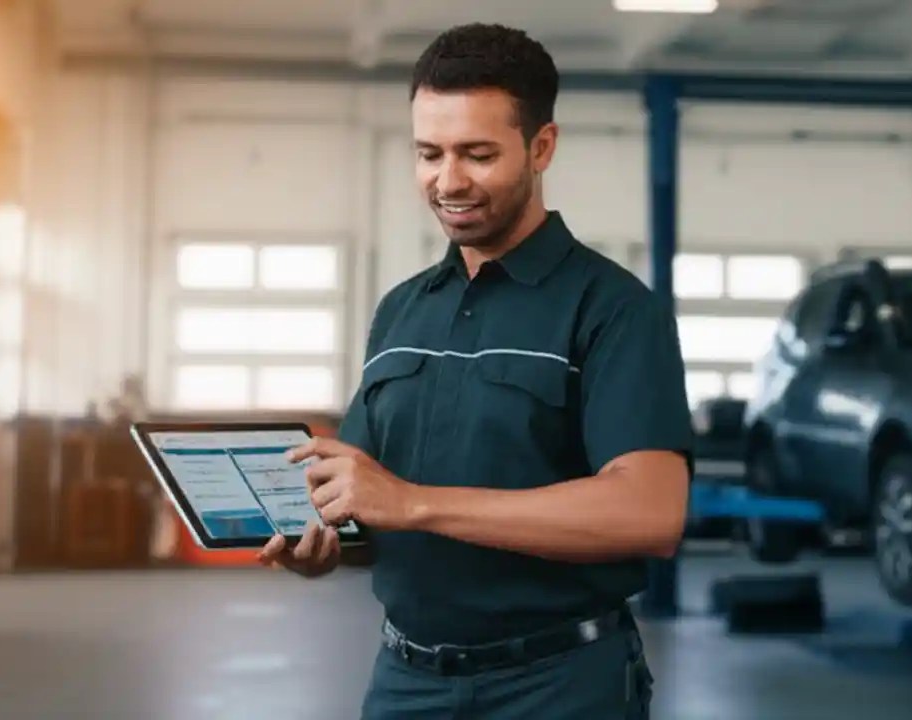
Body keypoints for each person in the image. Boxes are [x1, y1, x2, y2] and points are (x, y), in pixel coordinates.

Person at [257, 22, 693, 719]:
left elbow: (650, 511)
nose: (447, 180)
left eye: (477, 154)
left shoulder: (613, 310)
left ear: (541, 147)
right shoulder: (402, 311)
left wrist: (415, 502)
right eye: (428, 153)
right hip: (406, 683)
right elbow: (368, 497)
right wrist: (328, 543)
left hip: (558, 687)